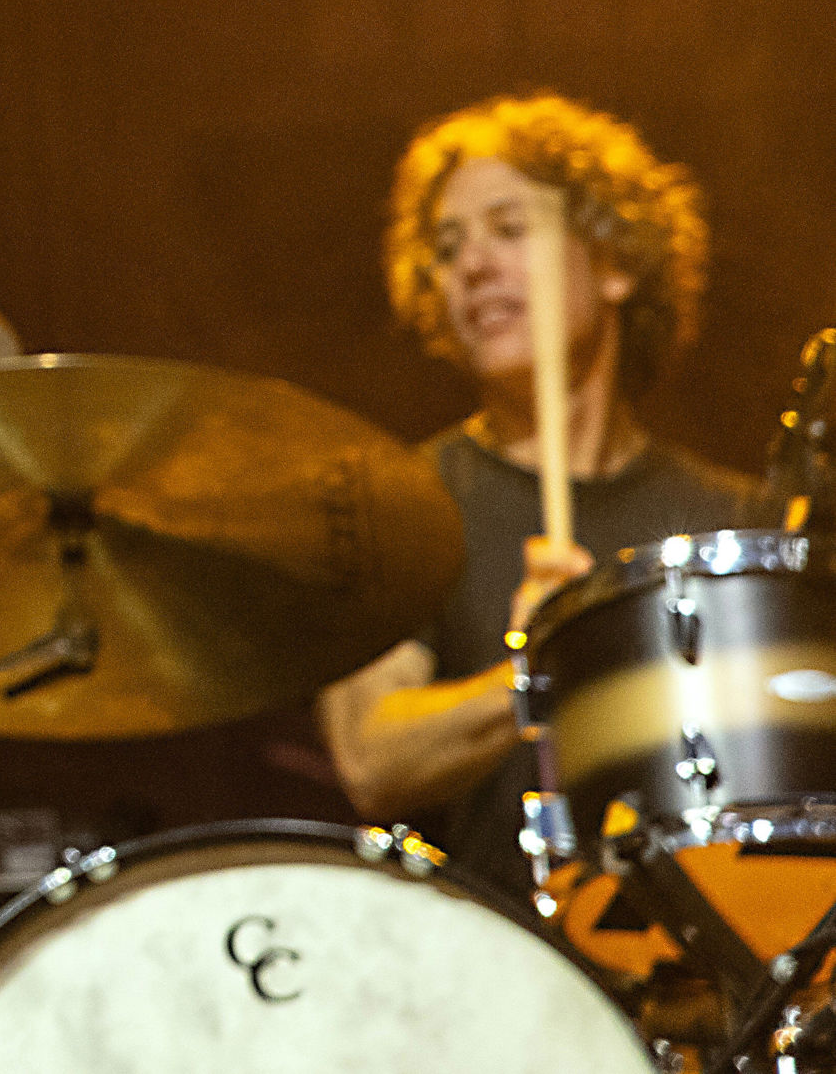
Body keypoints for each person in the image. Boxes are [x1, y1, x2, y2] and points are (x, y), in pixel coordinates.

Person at [316, 92, 750, 878]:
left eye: (509, 229)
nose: (472, 265)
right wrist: (532, 672)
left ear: (614, 260)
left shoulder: (730, 522)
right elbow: (367, 757)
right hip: (501, 966)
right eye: (447, 248)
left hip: (721, 971)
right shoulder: (397, 505)